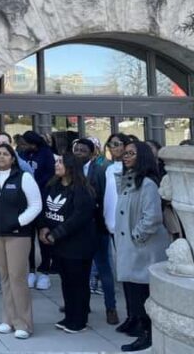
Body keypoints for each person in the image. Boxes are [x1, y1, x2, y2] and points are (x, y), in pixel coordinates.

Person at [0, 143, 41, 340]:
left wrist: (17, 222)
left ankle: (24, 323)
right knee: (4, 277)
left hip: (17, 235)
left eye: (6, 154)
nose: (1, 157)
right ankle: (8, 319)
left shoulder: (24, 177)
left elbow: (36, 205)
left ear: (13, 158)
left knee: (17, 278)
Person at [114, 141, 169, 352]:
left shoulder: (147, 183)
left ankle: (147, 334)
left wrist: (136, 237)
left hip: (143, 248)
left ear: (142, 156)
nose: (125, 156)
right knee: (135, 291)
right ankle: (138, 325)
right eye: (125, 153)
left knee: (143, 293)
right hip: (131, 246)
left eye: (131, 153)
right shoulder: (130, 181)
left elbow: (152, 217)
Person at [40, 152, 97, 334]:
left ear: (71, 167)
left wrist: (56, 234)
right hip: (59, 245)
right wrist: (44, 228)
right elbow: (45, 208)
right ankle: (69, 315)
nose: (56, 165)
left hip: (78, 245)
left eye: (60, 162)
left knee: (78, 282)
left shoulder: (82, 190)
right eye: (56, 161)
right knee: (66, 281)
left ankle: (79, 320)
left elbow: (78, 218)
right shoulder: (53, 185)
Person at [72, 138, 118, 325]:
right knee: (79, 269)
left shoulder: (100, 170)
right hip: (76, 228)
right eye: (76, 150)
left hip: (97, 226)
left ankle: (111, 307)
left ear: (92, 154)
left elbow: (105, 197)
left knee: (103, 266)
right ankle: (80, 304)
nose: (78, 153)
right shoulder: (70, 169)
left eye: (83, 150)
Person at [16, 130, 55, 291]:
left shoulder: (46, 154)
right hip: (26, 201)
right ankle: (30, 270)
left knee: (44, 236)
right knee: (27, 237)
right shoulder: (23, 153)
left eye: (27, 143)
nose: (25, 146)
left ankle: (44, 270)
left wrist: (34, 184)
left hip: (42, 199)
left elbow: (50, 175)